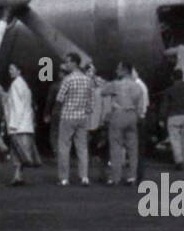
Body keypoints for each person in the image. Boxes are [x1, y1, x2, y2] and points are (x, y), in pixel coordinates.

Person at [54, 53, 93, 186]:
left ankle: (64, 178)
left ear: (74, 63)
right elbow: (90, 100)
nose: (66, 65)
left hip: (68, 116)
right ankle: (84, 177)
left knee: (64, 147)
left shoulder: (68, 79)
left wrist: (57, 112)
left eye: (68, 62)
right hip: (82, 117)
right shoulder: (87, 80)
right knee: (82, 148)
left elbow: (59, 99)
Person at [102, 62, 142, 185]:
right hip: (132, 115)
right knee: (132, 148)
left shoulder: (116, 84)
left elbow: (103, 91)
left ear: (124, 71)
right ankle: (132, 176)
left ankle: (116, 177)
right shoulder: (137, 86)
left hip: (119, 114)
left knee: (116, 146)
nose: (116, 71)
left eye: (118, 69)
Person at [4, 62, 41, 185]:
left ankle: (17, 177)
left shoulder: (15, 85)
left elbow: (16, 106)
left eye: (12, 69)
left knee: (17, 152)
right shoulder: (24, 85)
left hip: (18, 124)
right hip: (26, 123)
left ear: (19, 71)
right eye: (9, 69)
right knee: (19, 152)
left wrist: (13, 124)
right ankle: (18, 176)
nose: (10, 71)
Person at [161, 68, 184, 169]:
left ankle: (178, 159)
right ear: (182, 77)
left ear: (172, 77)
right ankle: (183, 159)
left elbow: (165, 105)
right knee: (183, 139)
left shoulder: (169, 90)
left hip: (173, 116)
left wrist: (162, 117)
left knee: (174, 139)